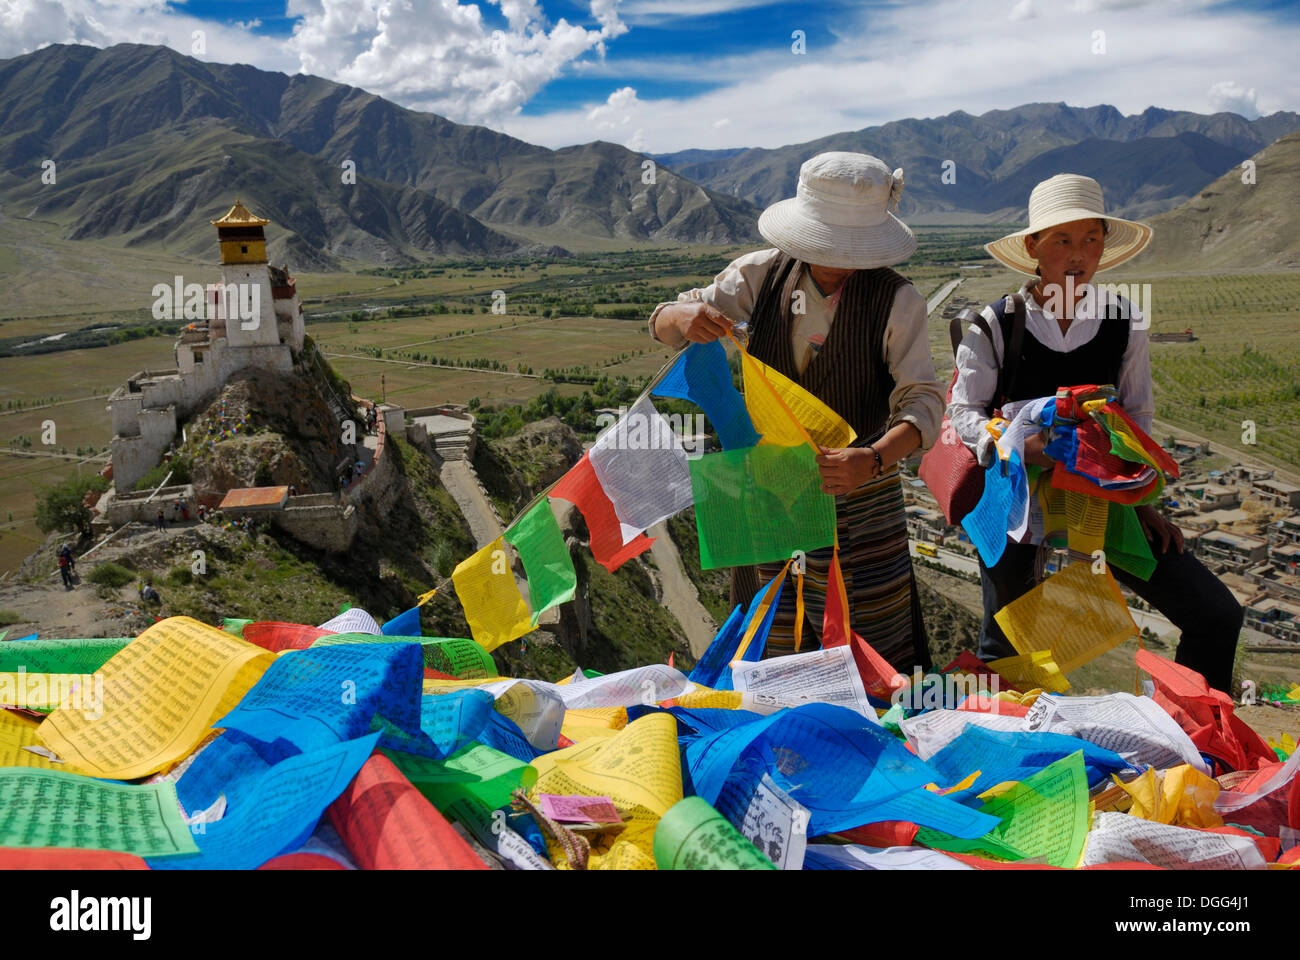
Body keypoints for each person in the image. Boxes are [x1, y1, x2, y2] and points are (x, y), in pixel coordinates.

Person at [947, 173, 1243, 693]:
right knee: (1006, 654)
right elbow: (963, 412)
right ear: (1033, 246)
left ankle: (1199, 734)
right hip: (1017, 503)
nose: (1079, 254)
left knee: (1215, 613)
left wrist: (1141, 499)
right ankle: (1014, 754)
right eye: (1062, 239)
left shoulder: (1123, 322)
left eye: (1092, 238)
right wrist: (1020, 444)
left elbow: (1138, 417)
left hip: (1101, 499)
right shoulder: (993, 325)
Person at [649, 152, 944, 672]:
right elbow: (666, 322)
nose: (834, 257)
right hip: (768, 490)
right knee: (769, 643)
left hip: (858, 498)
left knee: (867, 646)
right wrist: (681, 314)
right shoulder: (759, 276)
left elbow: (922, 402)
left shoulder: (898, 302)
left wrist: (871, 458)